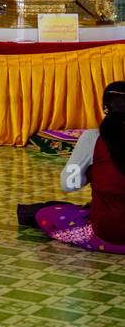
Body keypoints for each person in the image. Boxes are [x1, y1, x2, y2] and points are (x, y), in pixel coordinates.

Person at [29, 82, 125, 254]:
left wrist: (91, 173)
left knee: (45, 213)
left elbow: (68, 185)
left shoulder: (92, 138)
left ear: (105, 108)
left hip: (108, 234)